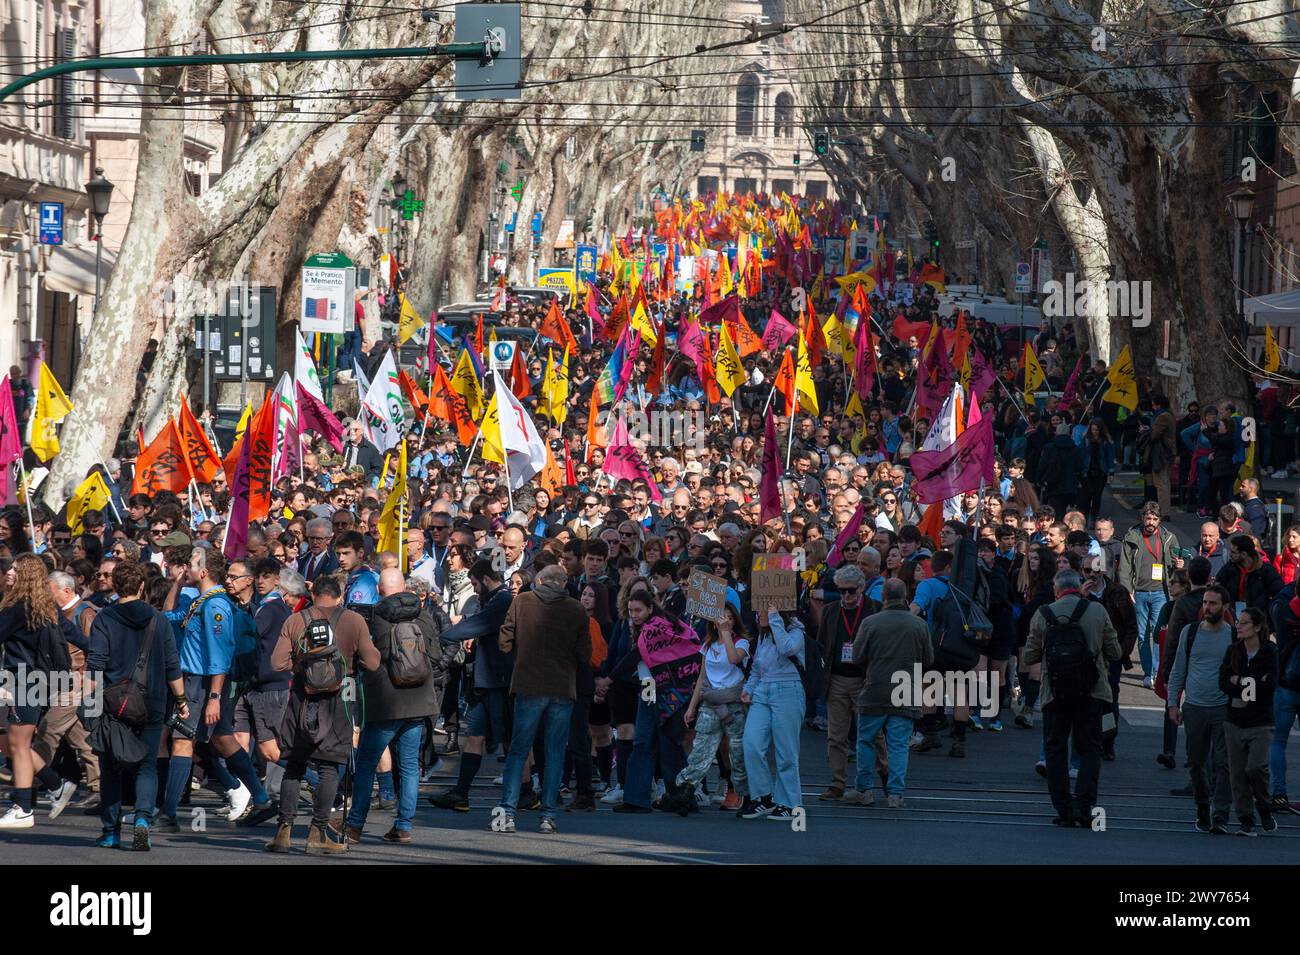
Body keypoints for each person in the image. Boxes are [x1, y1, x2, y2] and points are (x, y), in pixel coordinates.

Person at [265, 574, 380, 854]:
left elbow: (277, 662)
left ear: (313, 594)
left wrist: (303, 667)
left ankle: (283, 831)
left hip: (301, 700)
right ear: (340, 596)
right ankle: (317, 833)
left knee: (294, 763)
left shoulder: (295, 620)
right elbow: (374, 663)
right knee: (329, 767)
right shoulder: (354, 620)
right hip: (338, 699)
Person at [86, 560, 187, 850]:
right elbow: (172, 666)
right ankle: (142, 818)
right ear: (142, 586)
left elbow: (96, 666)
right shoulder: (159, 619)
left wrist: (88, 704)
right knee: (147, 765)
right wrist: (181, 701)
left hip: (112, 703)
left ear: (115, 586)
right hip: (153, 701)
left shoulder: (104, 618)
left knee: (111, 766)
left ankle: (111, 831)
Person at [344, 568, 449, 845]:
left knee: (367, 764)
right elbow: (437, 656)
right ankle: (403, 826)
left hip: (386, 705)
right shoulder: (423, 615)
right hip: (419, 701)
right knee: (410, 766)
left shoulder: (375, 618)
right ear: (406, 588)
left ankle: (354, 825)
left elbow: (366, 660)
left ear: (378, 590)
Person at [493, 564, 590, 834]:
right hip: (562, 687)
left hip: (527, 683)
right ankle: (548, 815)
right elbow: (584, 654)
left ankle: (508, 813)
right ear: (563, 583)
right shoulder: (576, 609)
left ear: (539, 580)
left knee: (518, 751)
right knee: (555, 752)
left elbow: (504, 642)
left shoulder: (522, 601)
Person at [1025, 569, 1122, 827]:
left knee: (1055, 749)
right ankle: (1084, 806)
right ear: (1079, 588)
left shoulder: (1043, 614)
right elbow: (1115, 650)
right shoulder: (1097, 611)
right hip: (1092, 692)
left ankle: (1063, 809)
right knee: (1090, 748)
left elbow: (1029, 656)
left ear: (1056, 591)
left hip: (1054, 693)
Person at [0, 554, 84, 828]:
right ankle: (55, 785)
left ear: (25, 575)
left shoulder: (17, 608)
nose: (9, 572)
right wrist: (101, 654)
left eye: (15, 569)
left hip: (23, 681)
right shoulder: (46, 606)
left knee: (19, 746)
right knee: (16, 744)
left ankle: (23, 807)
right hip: (40, 683)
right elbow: (75, 635)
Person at [429, 560, 515, 811]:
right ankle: (461, 792)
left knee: (510, 739)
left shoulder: (502, 601)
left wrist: (441, 637)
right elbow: (475, 621)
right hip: (484, 682)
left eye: (476, 584)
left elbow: (478, 624)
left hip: (498, 683)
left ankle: (526, 791)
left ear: (487, 580)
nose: (475, 590)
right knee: (474, 737)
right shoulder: (492, 601)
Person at [847, 578, 931, 808]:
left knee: (865, 741)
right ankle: (895, 793)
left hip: (874, 688)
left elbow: (857, 657)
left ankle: (864, 789)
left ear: (883, 597)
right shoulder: (918, 625)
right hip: (905, 690)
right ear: (906, 598)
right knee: (898, 745)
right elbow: (929, 658)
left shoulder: (870, 623)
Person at [1166, 584, 1235, 834]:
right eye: (1205, 603)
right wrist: (1173, 703)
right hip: (1194, 707)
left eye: (1213, 603)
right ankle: (1202, 806)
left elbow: (1243, 673)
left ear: (1225, 607)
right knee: (1195, 763)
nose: (1207, 608)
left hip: (1222, 708)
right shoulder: (1190, 632)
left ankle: (1221, 814)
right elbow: (1178, 669)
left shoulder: (1233, 635)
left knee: (1223, 763)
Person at [815, 564, 882, 801]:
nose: (846, 596)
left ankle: (884, 776)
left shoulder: (875, 609)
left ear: (862, 588)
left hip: (865, 680)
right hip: (838, 680)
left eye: (851, 591)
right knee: (836, 735)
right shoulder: (832, 610)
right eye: (841, 591)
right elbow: (822, 643)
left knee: (873, 734)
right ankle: (837, 782)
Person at [677, 604, 750, 813]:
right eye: (721, 617)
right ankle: (686, 791)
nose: (725, 620)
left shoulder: (742, 642)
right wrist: (692, 707)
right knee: (701, 749)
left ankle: (743, 795)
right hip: (710, 702)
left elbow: (734, 658)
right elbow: (702, 677)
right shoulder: (708, 644)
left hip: (733, 704)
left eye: (729, 617)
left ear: (735, 621)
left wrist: (726, 632)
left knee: (737, 752)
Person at [740, 608, 806, 821]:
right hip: (763, 690)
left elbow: (788, 649)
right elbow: (757, 669)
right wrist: (749, 688)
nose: (758, 615)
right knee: (751, 743)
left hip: (788, 689)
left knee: (786, 750)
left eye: (763, 611)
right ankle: (764, 796)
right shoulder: (763, 636)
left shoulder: (795, 631)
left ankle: (790, 802)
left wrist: (775, 620)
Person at [1218, 607, 1278, 836]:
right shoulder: (1233, 651)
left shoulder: (1269, 652)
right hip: (1234, 720)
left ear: (1258, 627)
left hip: (1261, 722)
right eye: (1238, 622)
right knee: (1237, 773)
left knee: (1256, 767)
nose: (1238, 626)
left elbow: (1269, 685)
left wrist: (1240, 682)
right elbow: (1223, 682)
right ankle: (1246, 819)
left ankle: (1264, 806)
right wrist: (1250, 682)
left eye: (1244, 623)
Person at [1119, 501, 1179, 688]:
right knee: (1143, 636)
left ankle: (1155, 671)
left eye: (1155, 518)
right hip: (1139, 593)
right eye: (1148, 517)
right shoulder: (1131, 536)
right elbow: (1125, 566)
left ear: (1159, 520)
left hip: (1161, 592)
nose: (1151, 521)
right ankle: (1148, 672)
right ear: (1142, 518)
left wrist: (1179, 565)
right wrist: (1128, 590)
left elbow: (1178, 562)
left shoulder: (1169, 538)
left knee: (1158, 633)